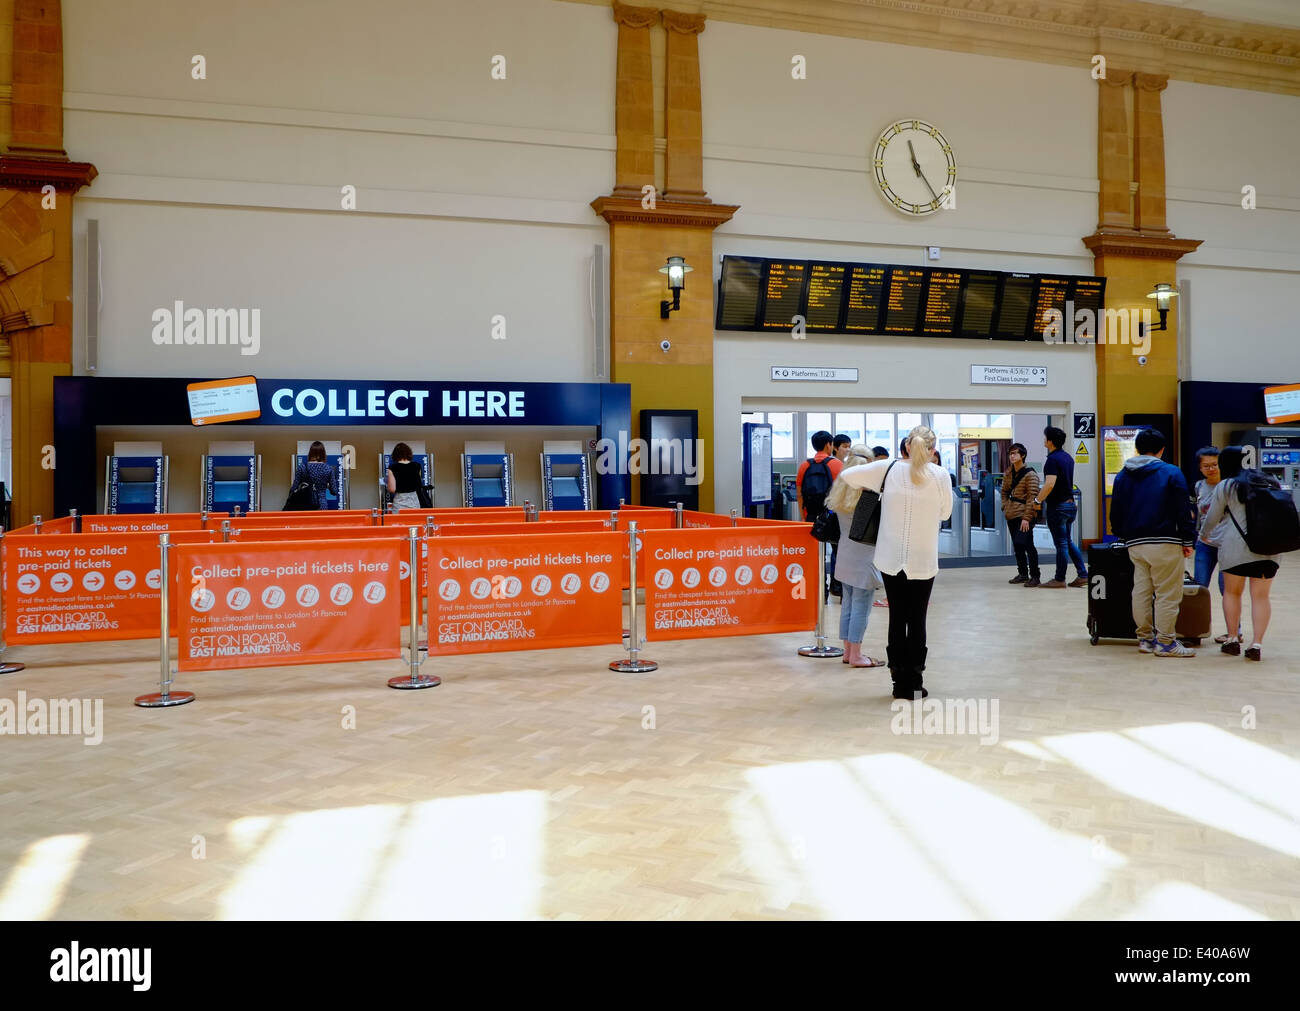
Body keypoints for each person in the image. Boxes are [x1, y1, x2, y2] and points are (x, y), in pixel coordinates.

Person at [840, 425, 952, 700]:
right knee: (918, 620)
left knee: (897, 617)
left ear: (905, 447)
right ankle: (915, 682)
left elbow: (847, 475)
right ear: (932, 451)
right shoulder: (939, 475)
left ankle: (898, 683)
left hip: (890, 559)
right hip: (923, 559)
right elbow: (946, 511)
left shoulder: (887, 469)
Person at [1108, 428, 1197, 658]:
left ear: (1136, 448)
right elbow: (1183, 510)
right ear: (1162, 449)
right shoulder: (1171, 472)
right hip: (1166, 541)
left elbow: (1115, 513)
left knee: (1141, 591)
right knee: (1167, 593)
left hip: (1135, 543)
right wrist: (1188, 539)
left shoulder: (1122, 475)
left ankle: (1145, 639)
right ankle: (1166, 642)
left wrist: (1123, 535)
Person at [1201, 446, 1280, 661]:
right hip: (1268, 549)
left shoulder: (1227, 485)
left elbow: (1212, 517)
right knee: (1261, 596)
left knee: (1232, 592)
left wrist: (1203, 535)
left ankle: (1233, 639)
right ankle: (1256, 644)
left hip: (1235, 548)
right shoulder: (1270, 481)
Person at [826, 445, 885, 668]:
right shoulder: (869, 498)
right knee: (862, 605)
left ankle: (848, 652)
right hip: (864, 558)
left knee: (848, 604)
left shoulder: (839, 493)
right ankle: (858, 655)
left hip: (845, 556)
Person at [1191, 445, 1239, 645]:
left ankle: (1234, 632)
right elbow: (1200, 514)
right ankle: (1194, 630)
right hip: (1204, 544)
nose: (1211, 469)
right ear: (1200, 468)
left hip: (1228, 545)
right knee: (1199, 587)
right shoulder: (1199, 486)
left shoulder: (1232, 486)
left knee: (1226, 588)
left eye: (1215, 464)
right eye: (1206, 466)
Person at [1031, 425, 1088, 588]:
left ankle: (1059, 578)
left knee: (1061, 544)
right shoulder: (1068, 458)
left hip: (1058, 507)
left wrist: (1037, 501)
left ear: (1050, 441)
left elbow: (1049, 484)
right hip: (1070, 505)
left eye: (1045, 438)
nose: (1044, 440)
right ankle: (1083, 574)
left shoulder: (1052, 460)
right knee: (1067, 542)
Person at [797, 431, 844, 598]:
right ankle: (837, 586)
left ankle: (819, 589)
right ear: (828, 445)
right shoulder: (836, 464)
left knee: (816, 554)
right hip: (833, 515)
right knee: (838, 551)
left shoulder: (805, 465)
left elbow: (800, 493)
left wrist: (804, 515)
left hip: (811, 516)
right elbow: (842, 491)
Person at [1001, 442, 1041, 586]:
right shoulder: (1008, 473)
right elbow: (1004, 491)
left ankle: (1035, 576)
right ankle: (1023, 573)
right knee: (1017, 546)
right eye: (1010, 454)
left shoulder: (1030, 474)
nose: (1012, 456)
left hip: (1024, 515)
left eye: (1015, 453)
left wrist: (1026, 518)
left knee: (1026, 544)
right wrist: (1005, 506)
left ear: (1022, 455)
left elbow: (1032, 497)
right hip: (1011, 513)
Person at [293, 441, 339, 511]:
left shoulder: (302, 467)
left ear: (310, 453)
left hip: (305, 505)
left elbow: (293, 489)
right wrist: (327, 485)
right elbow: (334, 492)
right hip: (322, 506)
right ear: (323, 454)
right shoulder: (328, 469)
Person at [385, 442, 426, 511]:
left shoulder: (392, 467)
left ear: (395, 455)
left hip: (399, 502)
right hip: (414, 501)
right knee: (414, 521)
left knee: (399, 521)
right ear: (409, 453)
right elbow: (419, 484)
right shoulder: (417, 466)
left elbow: (392, 489)